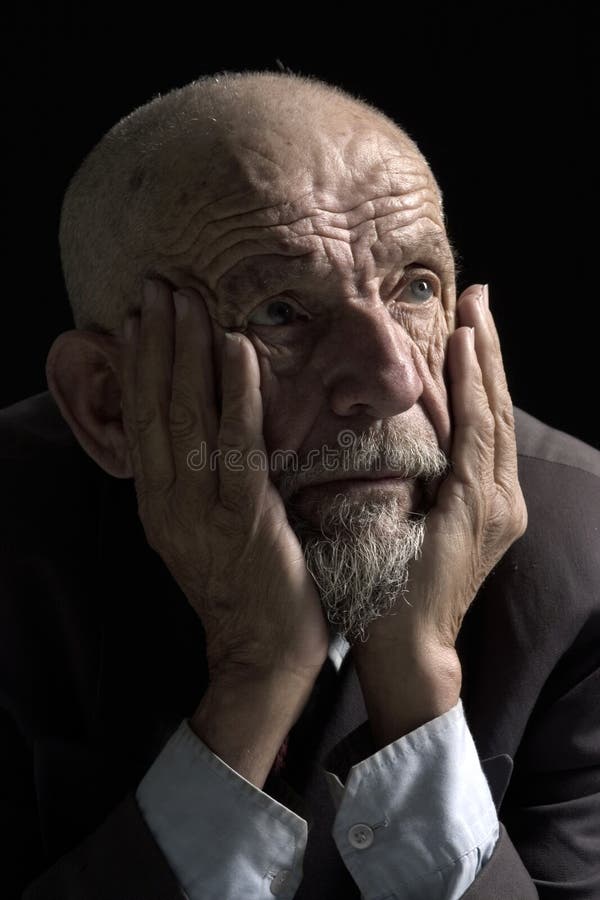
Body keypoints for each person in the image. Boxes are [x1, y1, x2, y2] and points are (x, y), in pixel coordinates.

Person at [1, 70, 598, 900]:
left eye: (416, 287)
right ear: (109, 406)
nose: (390, 379)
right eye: (282, 311)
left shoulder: (583, 554)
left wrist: (421, 691)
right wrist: (257, 675)